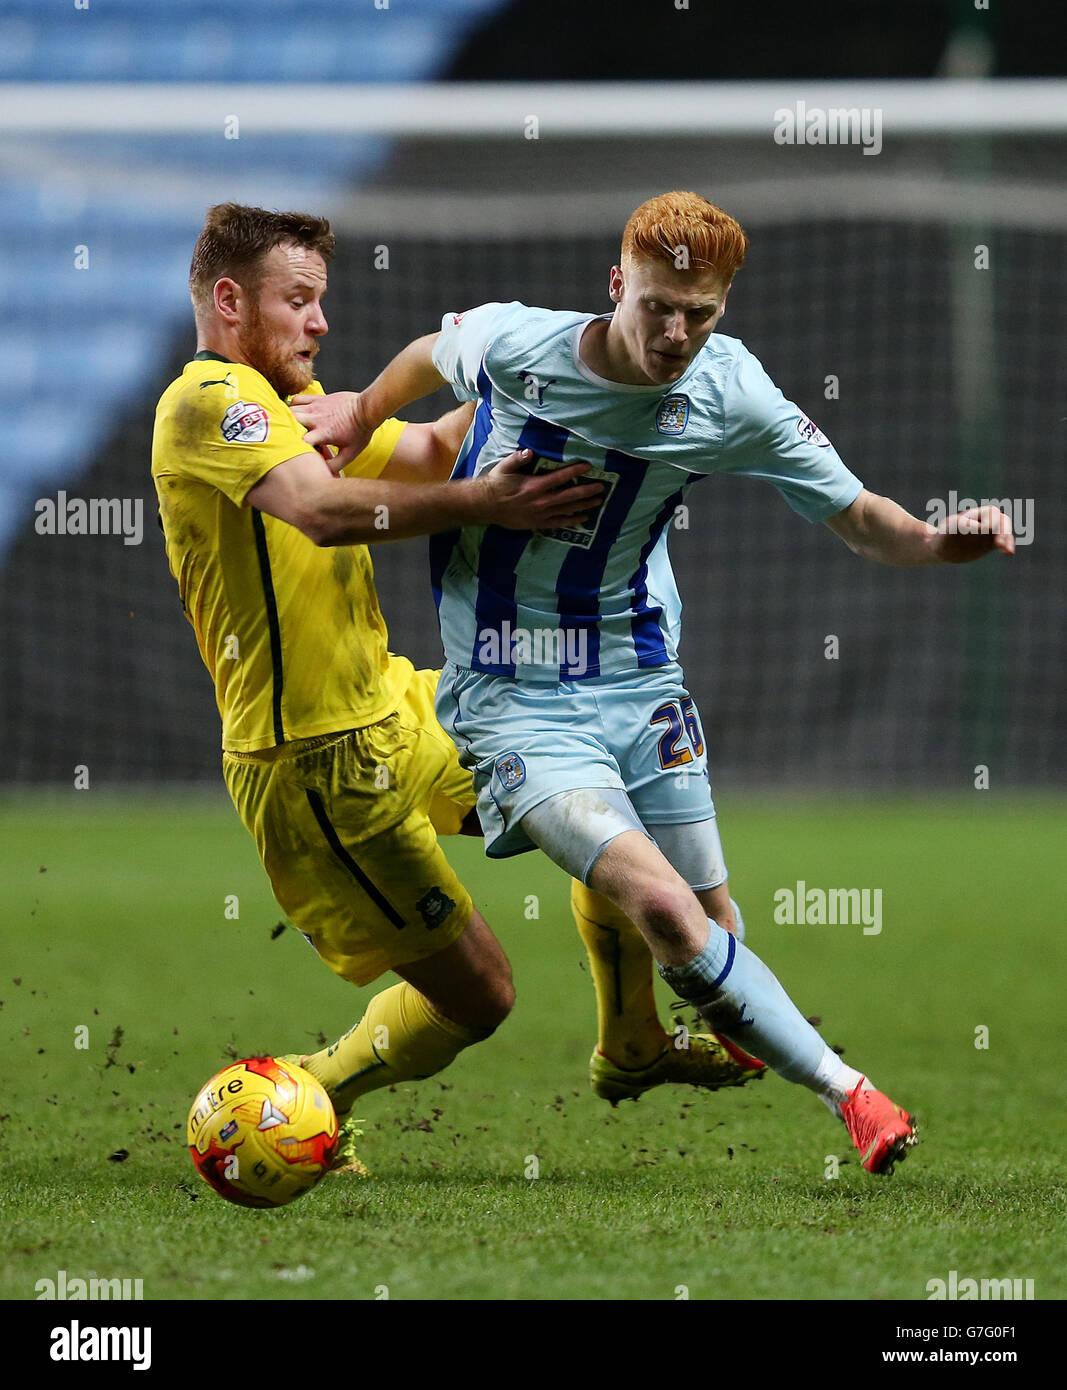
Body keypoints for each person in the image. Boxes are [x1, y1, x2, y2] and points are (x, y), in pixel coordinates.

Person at [291, 190, 1015, 1175]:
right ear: (614, 284)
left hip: (639, 681)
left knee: (714, 930)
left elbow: (853, 513)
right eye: (657, 307)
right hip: (513, 696)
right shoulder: (519, 345)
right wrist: (363, 406)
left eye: (700, 313)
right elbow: (434, 347)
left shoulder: (728, 393)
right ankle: (856, 1097)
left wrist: (935, 541)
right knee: (666, 910)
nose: (676, 333)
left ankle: (629, 1044)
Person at [151, 202, 614, 1173]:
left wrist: (561, 362)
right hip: (316, 762)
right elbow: (319, 513)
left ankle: (637, 1039)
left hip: (395, 706)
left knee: (606, 765)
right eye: (299, 300)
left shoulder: (295, 408)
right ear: (229, 301)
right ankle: (302, 1099)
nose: (319, 322)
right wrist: (487, 504)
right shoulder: (208, 403)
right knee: (481, 995)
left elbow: (437, 449)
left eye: (322, 301)